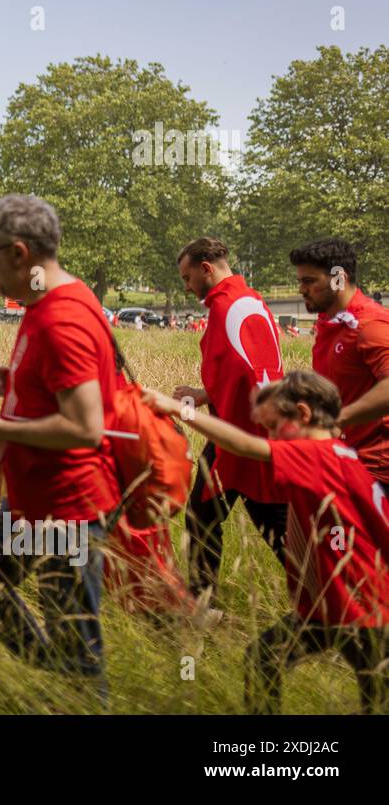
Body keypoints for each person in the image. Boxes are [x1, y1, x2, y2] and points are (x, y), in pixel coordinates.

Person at [145, 372, 389, 713]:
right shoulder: (342, 456)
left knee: (374, 697)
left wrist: (178, 408)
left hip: (362, 613)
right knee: (263, 660)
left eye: (275, 426)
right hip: (326, 609)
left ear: (303, 415)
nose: (272, 437)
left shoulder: (316, 455)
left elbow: (243, 446)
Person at [0, 195, 118, 695]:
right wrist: (10, 382)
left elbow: (85, 426)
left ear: (18, 252)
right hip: (35, 501)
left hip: (68, 506)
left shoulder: (62, 318)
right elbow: (58, 385)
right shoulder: (49, 303)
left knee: (77, 649)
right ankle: (47, 682)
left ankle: (65, 690)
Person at [173, 237, 287, 602]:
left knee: (277, 529)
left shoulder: (225, 308)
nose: (187, 287)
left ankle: (336, 607)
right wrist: (206, 394)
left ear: (206, 268)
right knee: (202, 517)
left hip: (242, 438)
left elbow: (246, 378)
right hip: (256, 431)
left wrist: (186, 412)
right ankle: (202, 601)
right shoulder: (251, 300)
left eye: (188, 277)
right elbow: (249, 372)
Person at [291, 238, 389, 483]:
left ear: (338, 278)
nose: (302, 289)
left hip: (376, 472)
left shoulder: (370, 325)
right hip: (341, 462)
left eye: (309, 281)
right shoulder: (329, 324)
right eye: (300, 281)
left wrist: (338, 419)